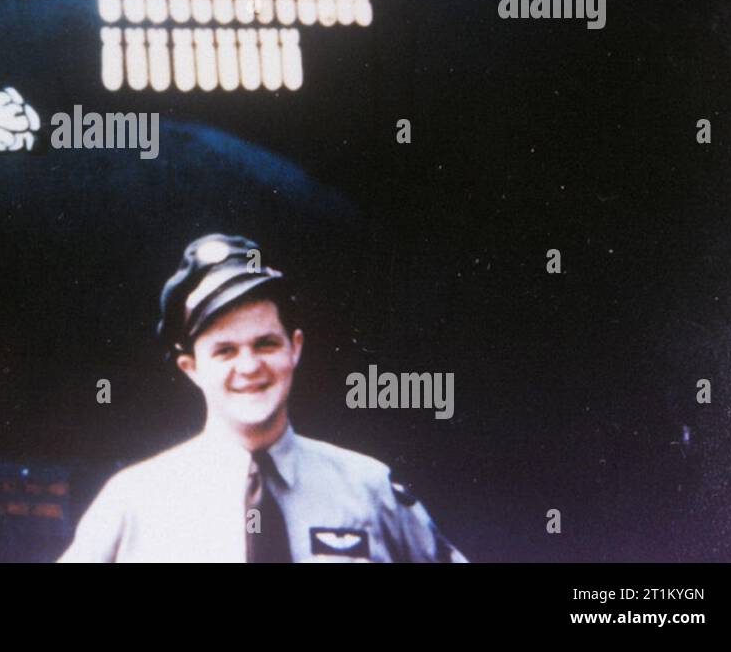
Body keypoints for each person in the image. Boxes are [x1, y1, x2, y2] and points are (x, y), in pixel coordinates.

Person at [59, 233, 467, 563]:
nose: (249, 366)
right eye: (224, 351)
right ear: (191, 368)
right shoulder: (134, 501)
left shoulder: (369, 489)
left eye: (266, 343)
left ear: (295, 348)